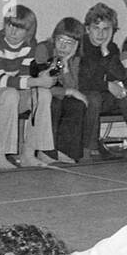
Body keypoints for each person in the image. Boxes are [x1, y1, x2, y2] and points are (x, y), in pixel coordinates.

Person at [0, 4, 58, 170]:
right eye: (10, 25)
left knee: (43, 94)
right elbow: (0, 80)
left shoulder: (30, 44)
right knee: (10, 94)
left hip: (16, 93)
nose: (12, 32)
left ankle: (28, 153)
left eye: (19, 29)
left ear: (29, 31)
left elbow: (26, 76)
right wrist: (34, 82)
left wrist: (43, 79)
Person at [78, 3, 127, 159]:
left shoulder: (112, 48)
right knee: (94, 97)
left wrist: (105, 51)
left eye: (106, 29)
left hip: (105, 94)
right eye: (96, 28)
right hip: (84, 94)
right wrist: (107, 85)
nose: (101, 34)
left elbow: (119, 76)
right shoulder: (80, 47)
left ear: (112, 31)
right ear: (88, 28)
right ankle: (89, 149)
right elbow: (83, 80)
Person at [32, 18, 86, 164]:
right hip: (38, 93)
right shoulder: (44, 50)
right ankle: (46, 151)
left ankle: (66, 151)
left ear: (77, 45)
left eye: (69, 43)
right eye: (60, 39)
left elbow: (73, 87)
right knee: (53, 104)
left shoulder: (74, 58)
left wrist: (66, 64)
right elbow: (43, 85)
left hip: (57, 94)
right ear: (54, 38)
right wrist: (68, 92)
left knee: (77, 105)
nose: (63, 46)